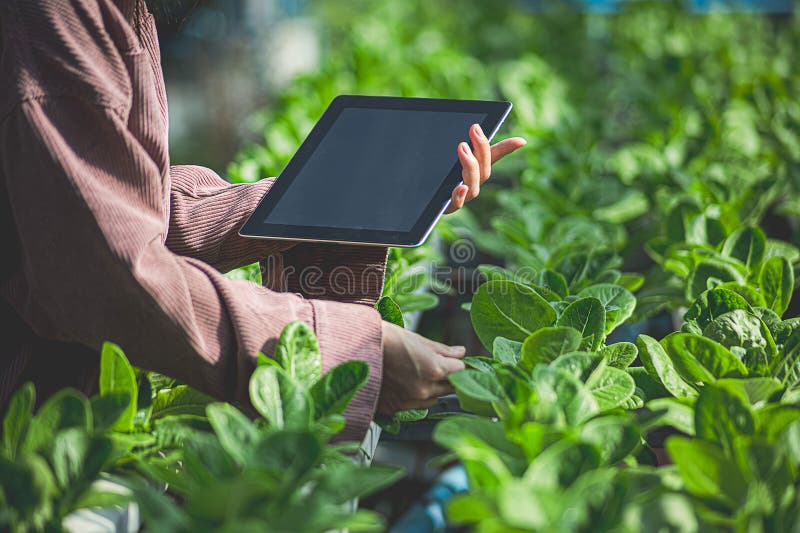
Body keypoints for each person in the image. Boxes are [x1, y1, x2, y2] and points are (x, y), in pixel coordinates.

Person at [0, 0, 525, 442]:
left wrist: (354, 199)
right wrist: (347, 354)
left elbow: (120, 211)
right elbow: (108, 278)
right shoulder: (59, 18)